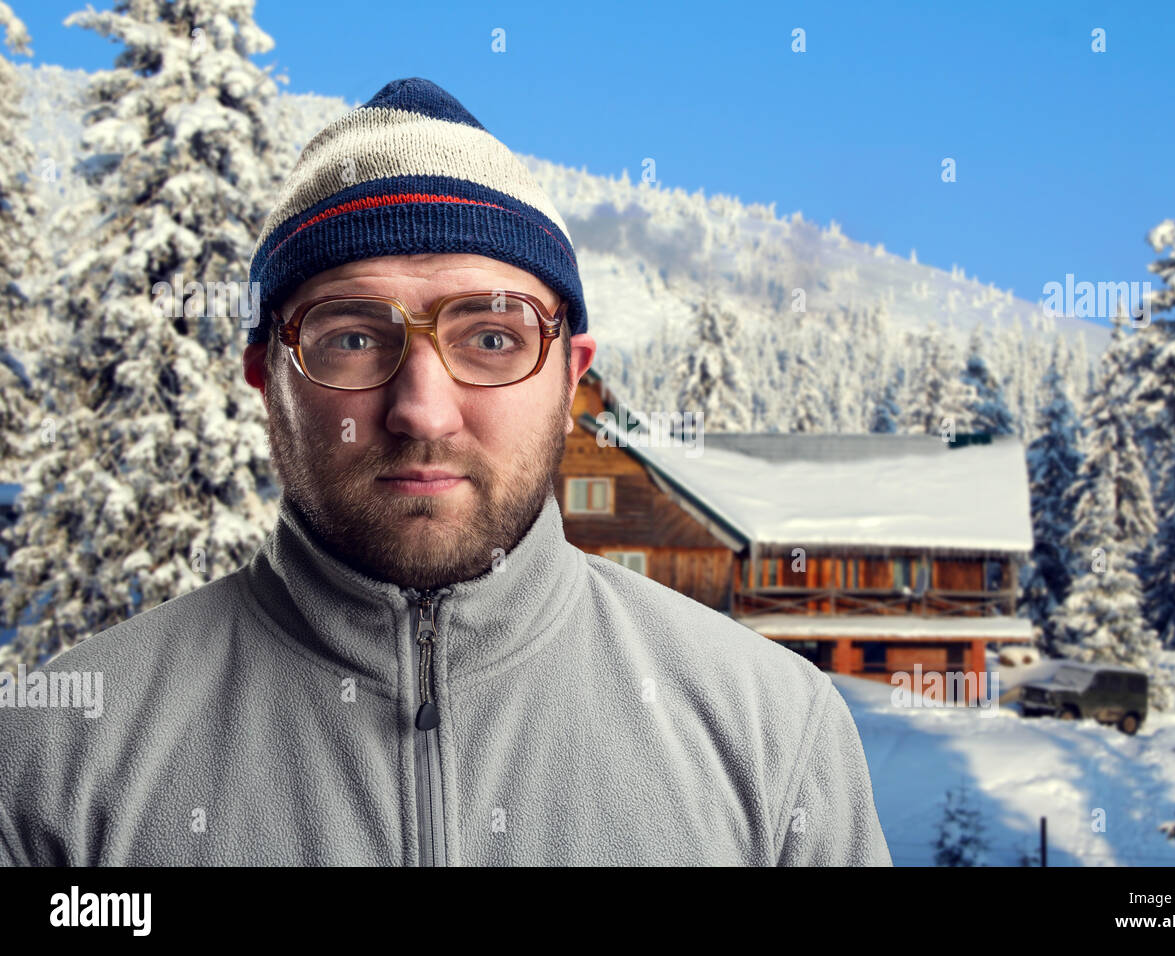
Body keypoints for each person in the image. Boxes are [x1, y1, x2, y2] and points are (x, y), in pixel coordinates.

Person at [0, 77, 891, 866]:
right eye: (351, 337)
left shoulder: (774, 736)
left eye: (492, 337)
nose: (422, 409)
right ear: (266, 376)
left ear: (572, 376)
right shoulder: (52, 759)